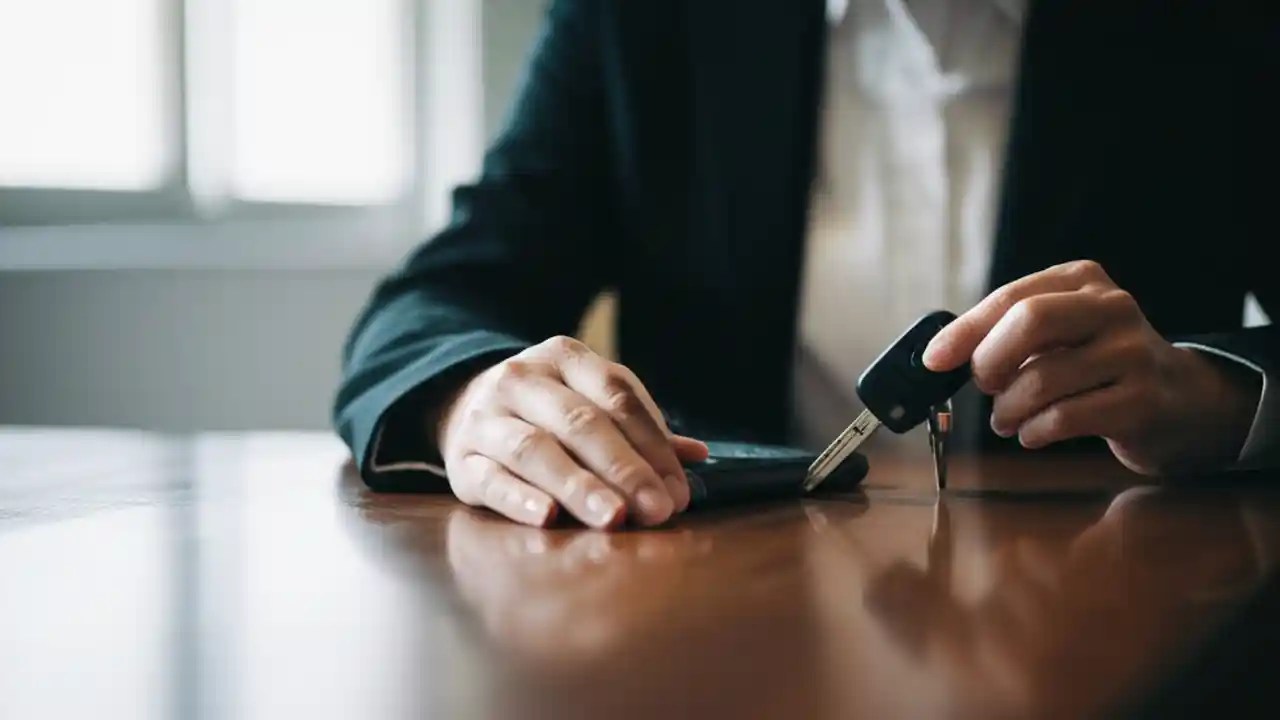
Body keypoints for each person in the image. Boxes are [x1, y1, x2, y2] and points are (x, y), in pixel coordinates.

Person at [333, 0, 1277, 529]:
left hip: (1128, 622)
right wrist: (464, 395)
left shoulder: (1222, 31)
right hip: (707, 618)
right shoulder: (640, 22)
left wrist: (1221, 396)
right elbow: (443, 294)